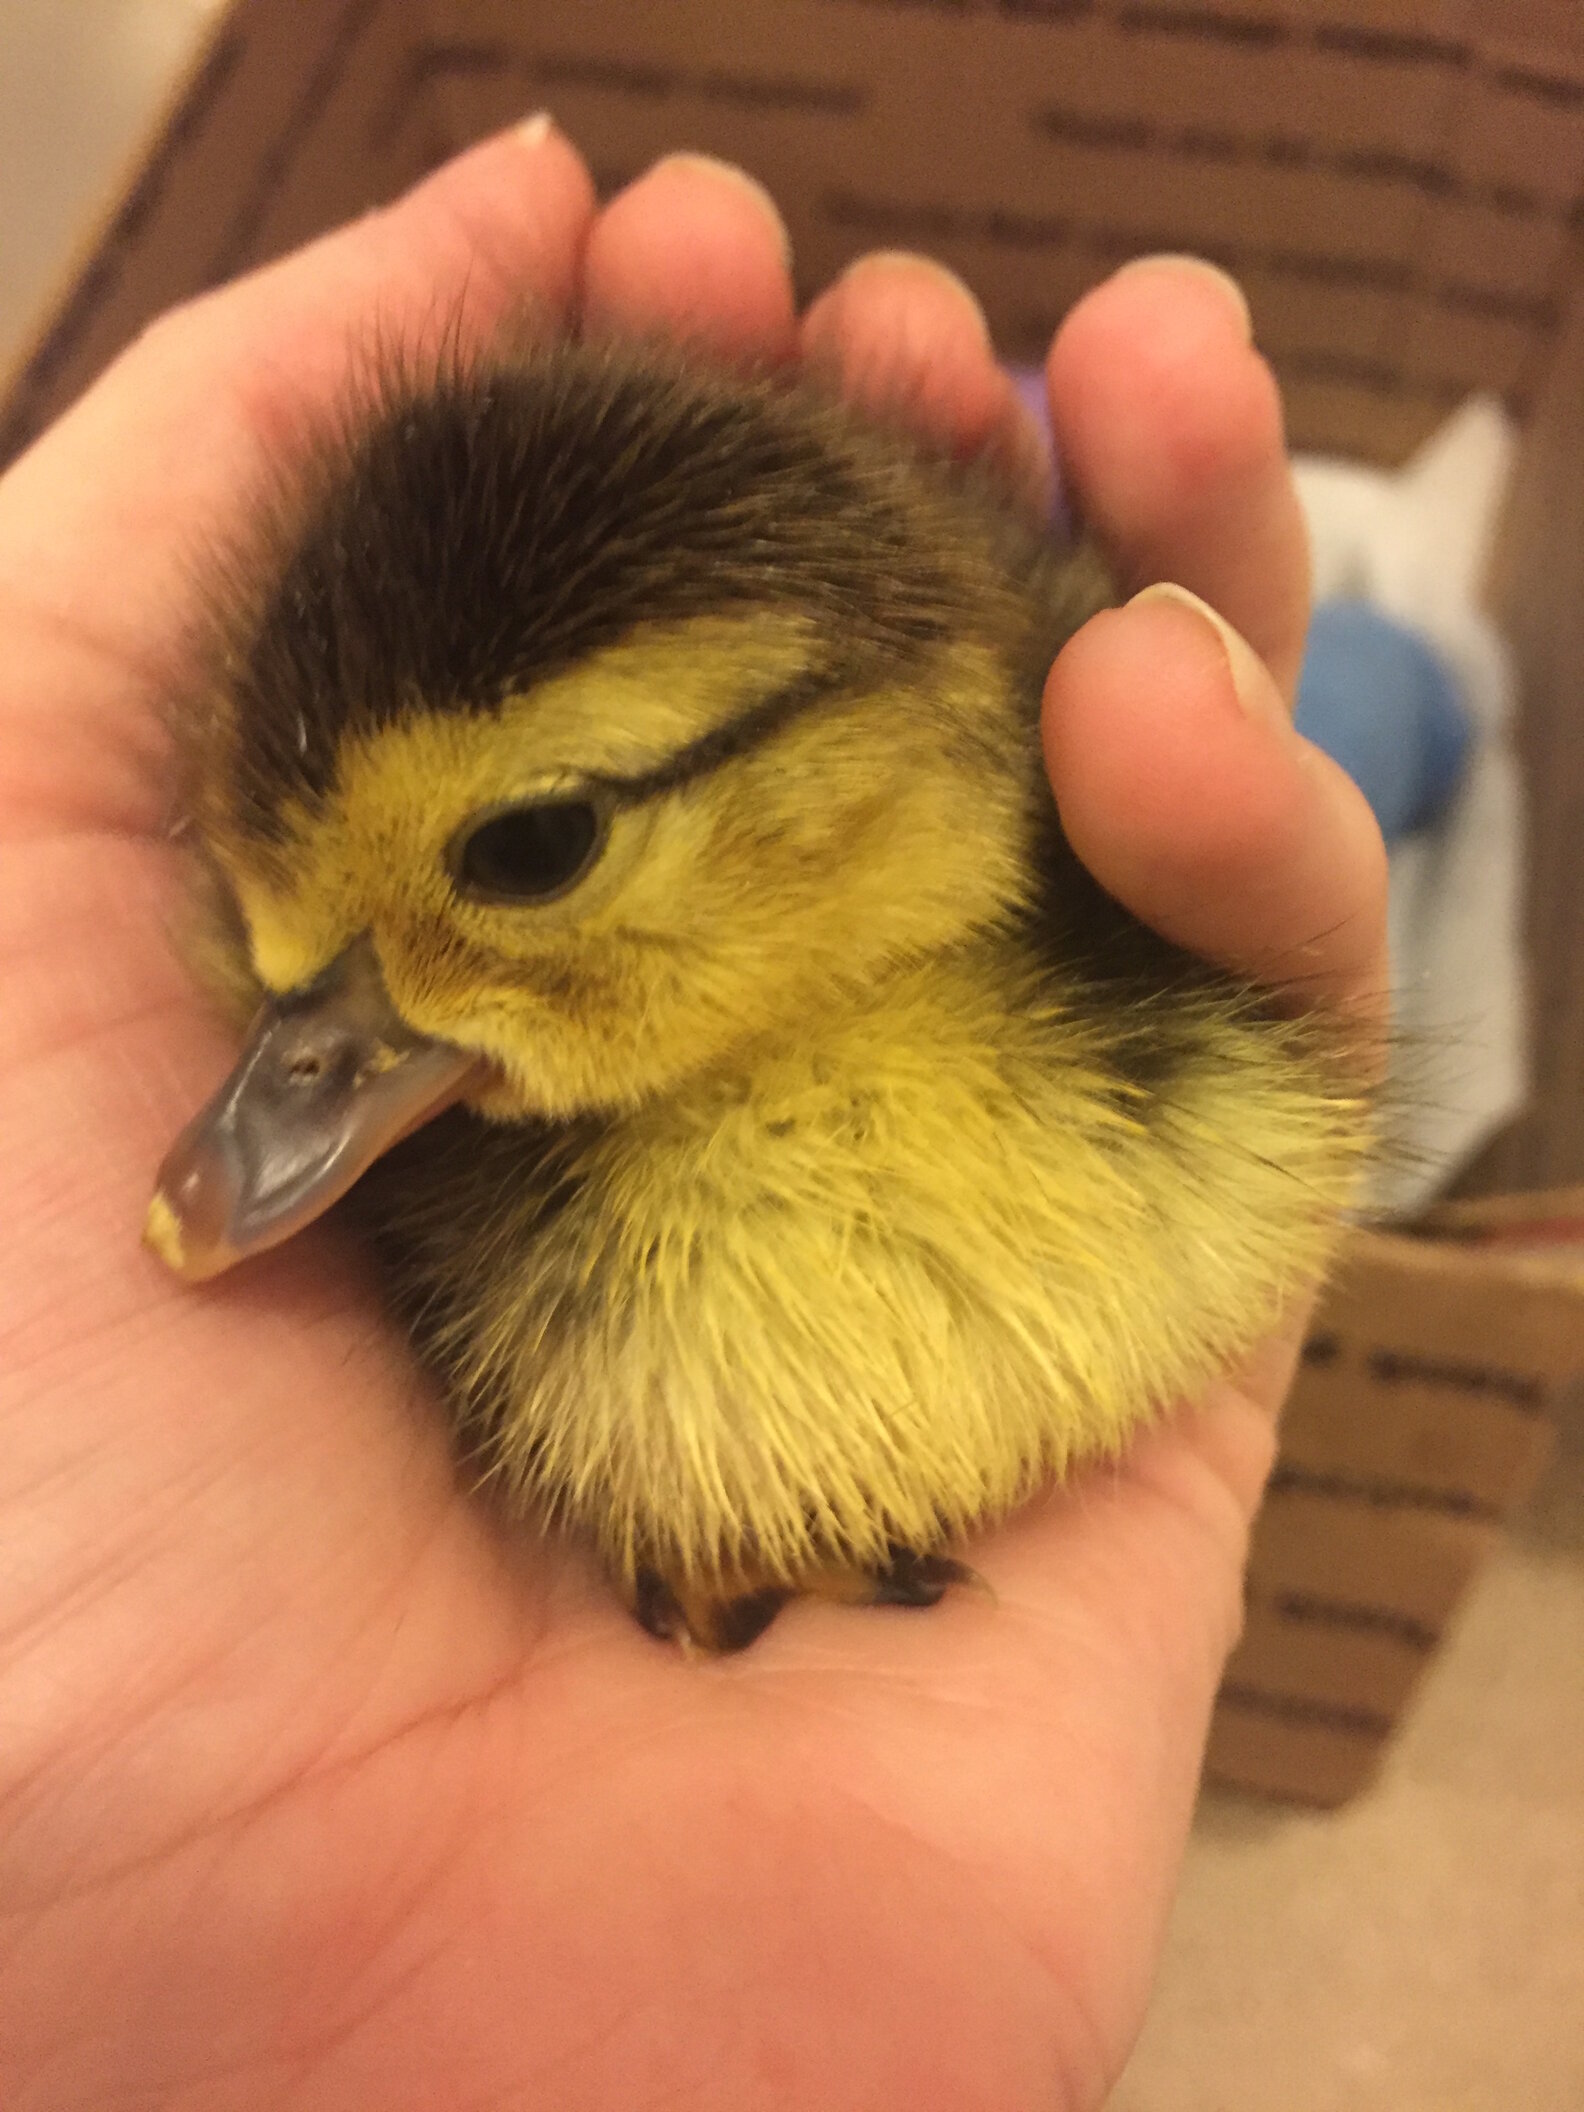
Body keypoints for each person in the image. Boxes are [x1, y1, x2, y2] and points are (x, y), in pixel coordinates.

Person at [0, 122, 1385, 2108]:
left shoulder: (1152, 1051)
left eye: (536, 849)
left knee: (1180, 738)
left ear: (852, 780)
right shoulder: (503, 1223)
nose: (259, 1098)